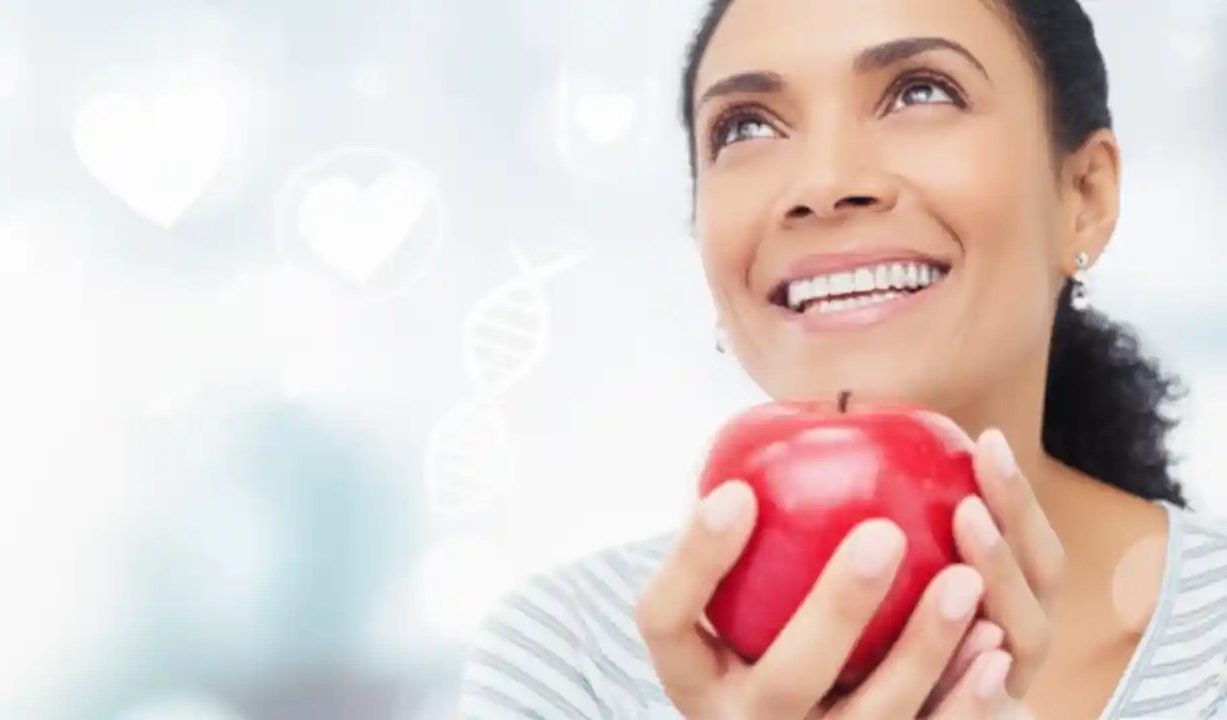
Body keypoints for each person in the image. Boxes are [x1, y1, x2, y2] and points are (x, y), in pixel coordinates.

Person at [455, 0, 1227, 717]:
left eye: (922, 92)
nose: (821, 185)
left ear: (1084, 194)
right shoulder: (570, 657)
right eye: (745, 127)